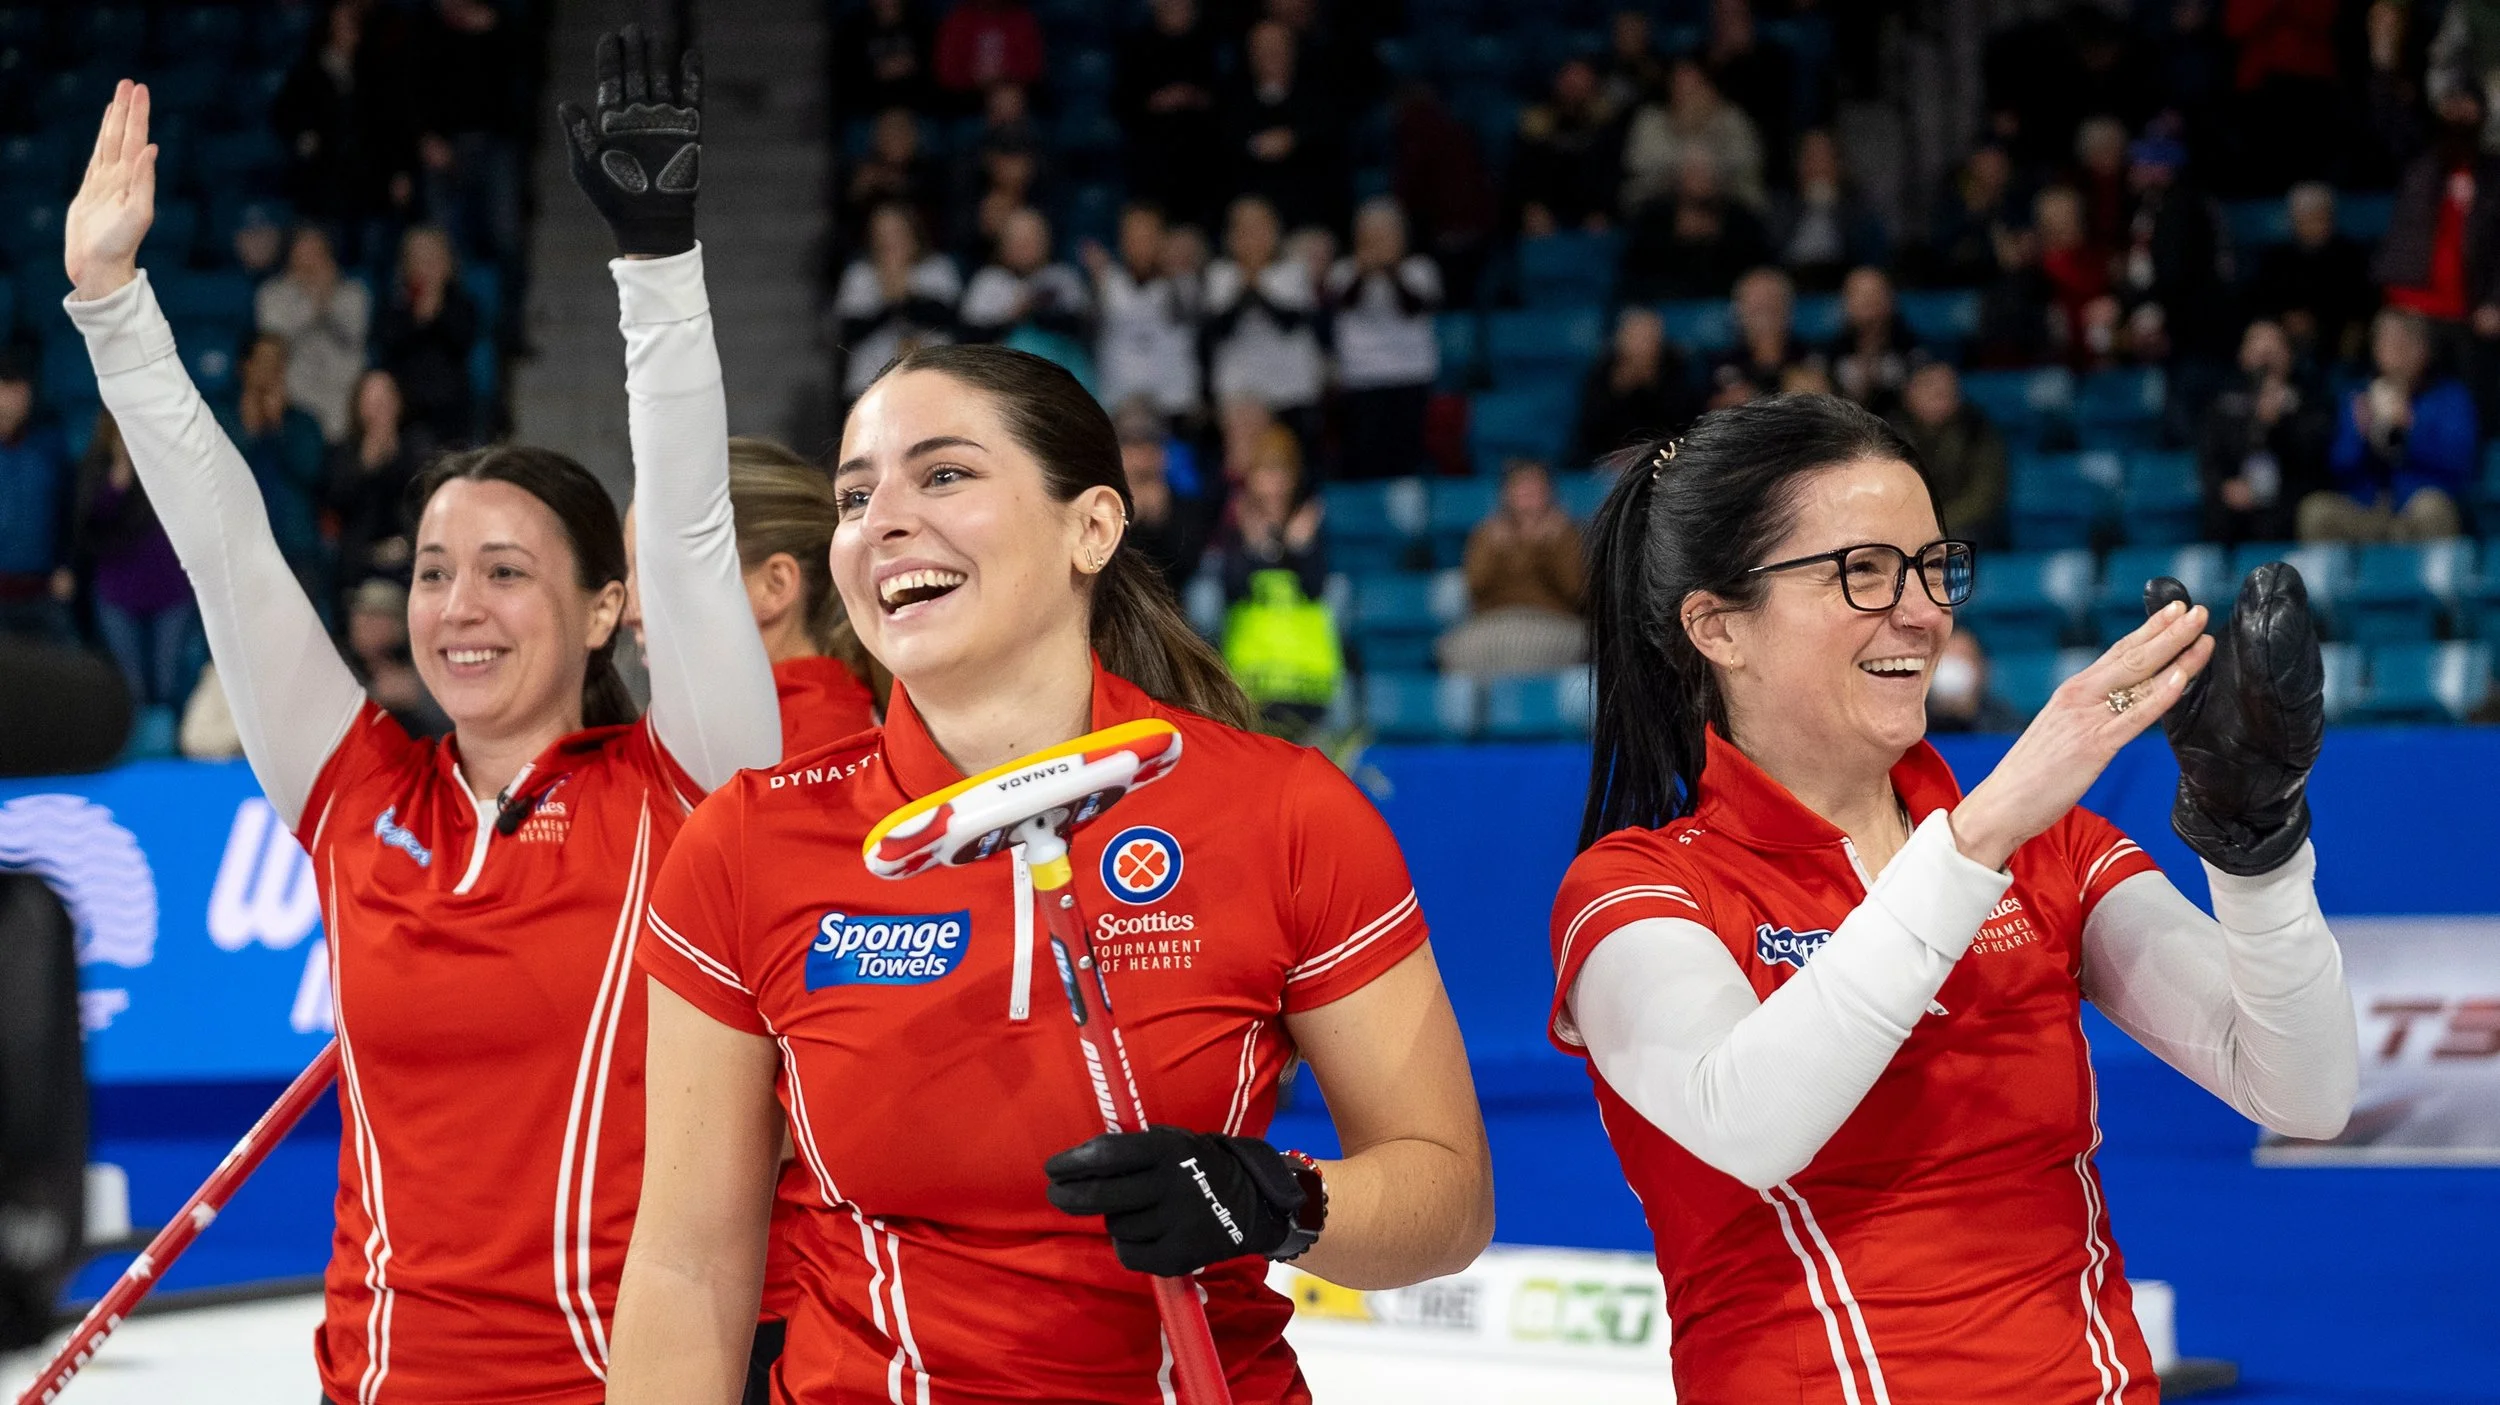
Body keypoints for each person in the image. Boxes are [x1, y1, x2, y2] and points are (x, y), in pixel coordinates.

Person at [66, 45, 781, 1405]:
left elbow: (690, 536)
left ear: (599, 610)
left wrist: (655, 268)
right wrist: (113, 306)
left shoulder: (689, 787)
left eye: (508, 571)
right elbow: (230, 555)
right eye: (437, 569)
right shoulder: (355, 796)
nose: (458, 606)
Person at [606, 342, 1494, 1401]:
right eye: (855, 494)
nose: (882, 518)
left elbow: (1446, 1195)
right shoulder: (749, 840)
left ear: (1093, 527)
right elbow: (687, 1265)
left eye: (943, 474)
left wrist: (1270, 1198)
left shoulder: (1282, 808)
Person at [1558, 393, 2355, 1402]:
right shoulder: (1639, 889)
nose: (1924, 609)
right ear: (1719, 626)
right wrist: (1978, 835)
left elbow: (2304, 1094)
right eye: (1863, 571)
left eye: (1934, 566)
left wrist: (2259, 849)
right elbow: (1748, 1125)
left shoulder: (2045, 846)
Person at [622, 436, 881, 760]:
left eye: (658, 572)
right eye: (628, 572)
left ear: (775, 585)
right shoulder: (767, 733)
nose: (628, 611)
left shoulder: (809, 754)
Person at [2307, 308, 2476, 541]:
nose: (2394, 351)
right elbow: (2339, 464)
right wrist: (2362, 434)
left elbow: (2460, 461)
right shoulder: (2360, 397)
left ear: (2423, 350)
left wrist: (2410, 429)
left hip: (2416, 507)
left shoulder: (2448, 396)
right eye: (2385, 342)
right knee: (2317, 511)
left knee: (2431, 508)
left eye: (2403, 342)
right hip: (2368, 509)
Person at [73, 413, 201, 716]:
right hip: (118, 590)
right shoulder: (97, 464)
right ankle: (136, 754)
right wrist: (119, 477)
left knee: (167, 683)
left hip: (169, 590)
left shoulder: (176, 461)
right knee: (131, 688)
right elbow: (86, 524)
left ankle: (168, 752)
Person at [1438, 460, 1588, 677]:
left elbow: (1576, 591)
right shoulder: (1486, 535)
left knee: (1528, 651)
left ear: (1550, 493)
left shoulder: (1569, 534)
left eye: (1535, 489)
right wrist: (1500, 549)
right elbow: (1475, 586)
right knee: (1456, 649)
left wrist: (1549, 548)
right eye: (1520, 488)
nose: (1528, 495)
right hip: (1493, 623)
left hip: (1554, 622)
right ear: (1506, 494)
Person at [1327, 200, 1440, 480]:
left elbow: (1414, 306)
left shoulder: (1420, 269)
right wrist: (1364, 272)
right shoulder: (1343, 271)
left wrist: (1391, 271)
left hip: (1410, 375)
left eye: (1386, 235)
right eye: (1371, 236)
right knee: (1366, 456)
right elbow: (1344, 302)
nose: (1378, 243)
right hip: (1361, 377)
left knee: (1407, 454)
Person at [223, 333, 332, 611]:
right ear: (244, 366)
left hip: (296, 549)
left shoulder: (304, 423)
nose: (272, 371)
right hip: (240, 552)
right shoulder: (223, 421)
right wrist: (249, 432)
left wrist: (280, 427)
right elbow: (216, 476)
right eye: (264, 362)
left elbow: (312, 472)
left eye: (278, 363)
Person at [2200, 319, 2330, 545]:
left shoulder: (2310, 405)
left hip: (2288, 503)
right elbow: (2210, 459)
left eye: (2273, 349)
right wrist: (2226, 487)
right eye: (2257, 348)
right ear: (2242, 356)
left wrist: (2278, 424)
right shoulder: (2224, 407)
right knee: (2217, 516)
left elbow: (2313, 462)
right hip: (2236, 507)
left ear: (2289, 356)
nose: (2265, 356)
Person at [1205, 196, 1324, 439]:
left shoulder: (1294, 271)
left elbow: (1289, 323)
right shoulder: (1219, 275)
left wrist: (1255, 285)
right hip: (1241, 394)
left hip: (1291, 391)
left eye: (1259, 229)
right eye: (1243, 230)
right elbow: (1220, 329)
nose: (1251, 238)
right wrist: (1245, 287)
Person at [830, 203, 961, 405]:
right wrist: (890, 303)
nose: (890, 241)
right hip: (871, 381)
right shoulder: (861, 275)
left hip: (932, 379)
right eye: (881, 234)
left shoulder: (936, 269)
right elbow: (850, 331)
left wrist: (907, 296)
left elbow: (948, 319)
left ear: (913, 233)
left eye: (897, 232)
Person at [1087, 203, 1204, 425]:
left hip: (1173, 403)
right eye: (1133, 237)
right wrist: (1096, 285)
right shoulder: (1106, 282)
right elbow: (1089, 329)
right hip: (1119, 404)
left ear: (1162, 239)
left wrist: (1173, 269)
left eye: (1148, 237)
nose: (1140, 246)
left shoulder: (1184, 283)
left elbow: (1187, 315)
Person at [254, 225, 370, 442]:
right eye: (302, 254)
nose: (310, 262)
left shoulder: (353, 293)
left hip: (344, 396)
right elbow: (275, 344)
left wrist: (327, 299)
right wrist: (313, 303)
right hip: (295, 400)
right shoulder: (272, 294)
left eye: (317, 253)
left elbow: (353, 336)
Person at [1117, 0, 1223, 229]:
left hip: (1203, 158)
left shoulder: (1210, 41)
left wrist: (1194, 98)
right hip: (1153, 159)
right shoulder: (1137, 45)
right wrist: (1158, 102)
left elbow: (1226, 102)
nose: (1176, 7)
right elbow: (1122, 104)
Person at [374, 224, 482, 450]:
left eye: (432, 259)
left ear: (447, 263)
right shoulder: (394, 308)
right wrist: (418, 315)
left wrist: (435, 311)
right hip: (406, 408)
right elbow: (388, 346)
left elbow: (461, 342)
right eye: (418, 259)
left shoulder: (462, 305)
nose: (425, 268)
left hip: (450, 407)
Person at [326, 368, 427, 607]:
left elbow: (425, 502)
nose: (380, 407)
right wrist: (366, 464)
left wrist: (406, 543)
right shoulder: (344, 453)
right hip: (359, 560)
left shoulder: (417, 448)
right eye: (372, 400)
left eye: (386, 398)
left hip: (407, 555)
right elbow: (336, 502)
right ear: (358, 406)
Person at [2251, 183, 2376, 368]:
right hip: (2287, 340)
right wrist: (2285, 319)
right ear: (2294, 220)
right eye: (2307, 218)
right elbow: (2260, 301)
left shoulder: (2350, 256)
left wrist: (2322, 322)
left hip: (2337, 337)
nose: (2316, 225)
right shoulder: (2276, 259)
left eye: (2321, 217)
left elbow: (2363, 303)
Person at [1888, 360, 2009, 550]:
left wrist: (1934, 523)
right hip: (1906, 524)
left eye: (1947, 388)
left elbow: (1984, 497)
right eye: (1929, 386)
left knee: (1958, 541)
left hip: (1961, 525)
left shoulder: (1977, 431)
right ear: (1908, 393)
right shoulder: (1889, 433)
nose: (1940, 394)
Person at [1621, 58, 1766, 213]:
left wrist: (1709, 132)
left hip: (1725, 200)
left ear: (1709, 88)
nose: (1687, 93)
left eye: (1694, 86)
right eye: (1680, 86)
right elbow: (1638, 163)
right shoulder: (1650, 118)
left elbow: (1748, 160)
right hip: (1663, 200)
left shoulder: (1731, 117)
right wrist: (1681, 129)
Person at [1620, 153, 1770, 303]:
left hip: (1728, 303)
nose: (1701, 181)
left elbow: (1758, 268)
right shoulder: (1653, 218)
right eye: (1694, 173)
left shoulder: (1741, 219)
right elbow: (1635, 272)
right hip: (1663, 302)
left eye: (1708, 175)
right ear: (1677, 179)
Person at [0, 351, 75, 643]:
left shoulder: (50, 447)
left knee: (58, 677)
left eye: (20, 391)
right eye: (7, 390)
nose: (13, 400)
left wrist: (66, 565)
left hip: (43, 590)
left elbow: (70, 511)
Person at [1509, 57, 1626, 237]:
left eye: (1582, 83)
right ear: (1558, 82)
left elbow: (1612, 174)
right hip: (1545, 214)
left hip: (1592, 216)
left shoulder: (1607, 127)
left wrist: (1603, 211)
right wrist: (1531, 207)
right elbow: (1520, 175)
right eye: (1570, 81)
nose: (1574, 89)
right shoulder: (1536, 125)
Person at [958, 208, 1093, 361]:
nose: (1025, 248)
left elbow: (1081, 328)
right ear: (1002, 244)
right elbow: (969, 337)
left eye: (1032, 240)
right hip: (1004, 370)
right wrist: (1012, 316)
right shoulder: (989, 281)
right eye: (1017, 241)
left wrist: (1036, 311)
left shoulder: (1062, 277)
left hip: (1059, 366)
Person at [1575, 305, 1696, 468]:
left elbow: (1685, 423)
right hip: (1612, 461)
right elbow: (1589, 433)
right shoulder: (1602, 373)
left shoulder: (1676, 368)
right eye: (1635, 336)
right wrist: (1618, 390)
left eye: (1648, 336)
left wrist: (1652, 384)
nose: (1642, 345)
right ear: (1620, 338)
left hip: (1669, 455)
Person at [1769, 129, 1889, 292]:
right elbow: (1771, 250)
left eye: (1824, 158)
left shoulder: (1858, 209)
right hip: (1789, 280)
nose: (1818, 167)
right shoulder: (1782, 206)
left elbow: (1867, 254)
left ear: (1839, 164)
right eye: (1811, 158)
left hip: (1840, 282)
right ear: (1799, 164)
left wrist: (1832, 208)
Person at [1117, 399, 1211, 586]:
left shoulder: (1185, 506)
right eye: (1131, 445)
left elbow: (1186, 568)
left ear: (1163, 454)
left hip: (1171, 602)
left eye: (1149, 444)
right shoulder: (1099, 505)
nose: (1140, 457)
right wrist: (1128, 519)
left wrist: (1161, 519)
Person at [1826, 265, 1918, 415]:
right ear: (1845, 302)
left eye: (1876, 293)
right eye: (1860, 295)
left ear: (1891, 299)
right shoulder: (1827, 354)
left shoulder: (1912, 352)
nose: (1869, 302)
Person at [832, 0, 932, 121]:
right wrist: (878, 71)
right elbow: (846, 82)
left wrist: (910, 66)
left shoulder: (921, 24)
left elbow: (936, 76)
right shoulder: (853, 29)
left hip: (918, 111)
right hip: (868, 113)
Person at [931, 0, 1044, 103]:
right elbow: (946, 72)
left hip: (1012, 92)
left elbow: (1032, 68)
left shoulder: (1021, 19)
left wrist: (1004, 77)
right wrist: (975, 79)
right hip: (965, 98)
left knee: (1009, 100)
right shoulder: (958, 20)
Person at [1924, 629, 2024, 733]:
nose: (1953, 667)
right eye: (1944, 656)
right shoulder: (1912, 722)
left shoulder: (2005, 724)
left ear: (1982, 668)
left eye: (1963, 657)